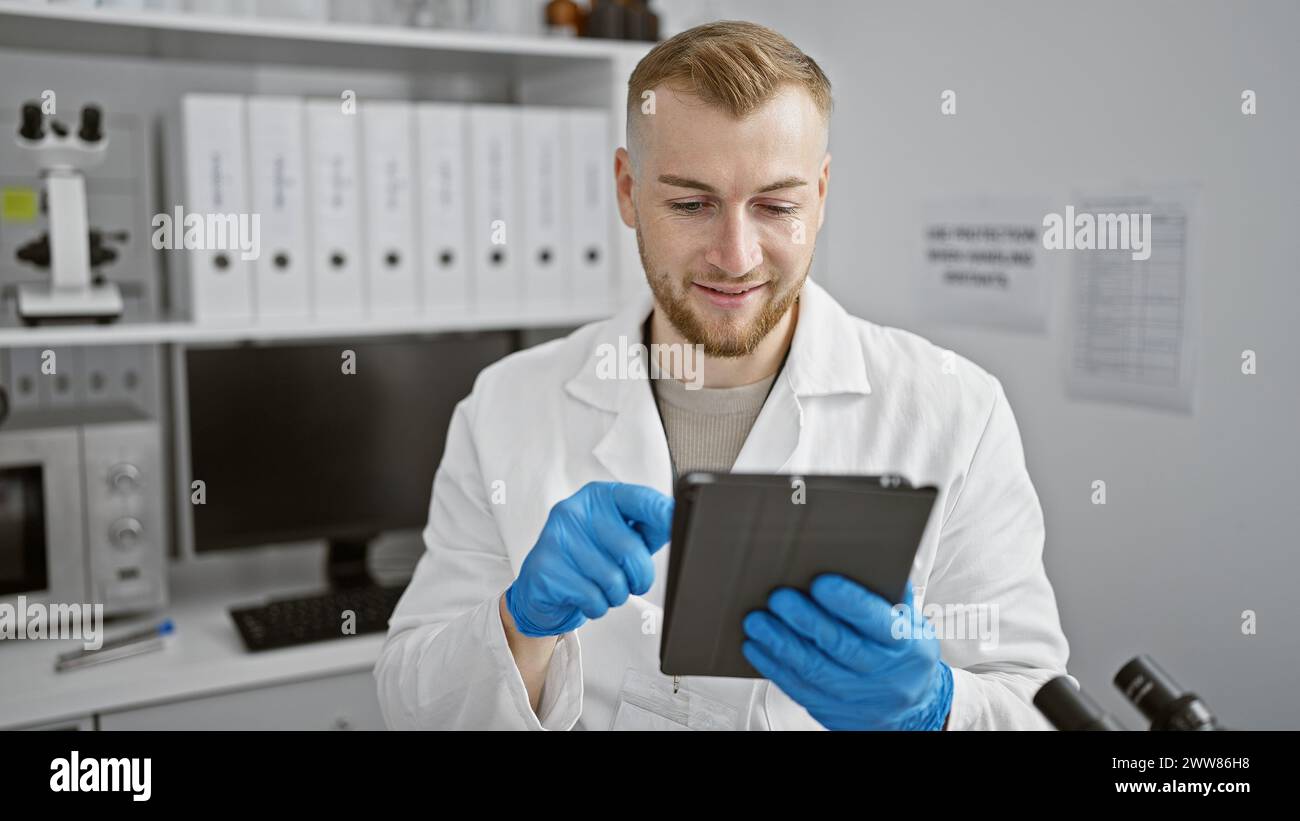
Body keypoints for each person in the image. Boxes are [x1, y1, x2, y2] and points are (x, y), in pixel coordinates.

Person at [374, 20, 1071, 730]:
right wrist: (518, 624)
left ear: (821, 195)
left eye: (775, 206)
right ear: (627, 189)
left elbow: (1037, 705)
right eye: (691, 204)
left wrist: (934, 709)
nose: (735, 256)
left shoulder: (955, 411)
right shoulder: (507, 403)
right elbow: (406, 701)